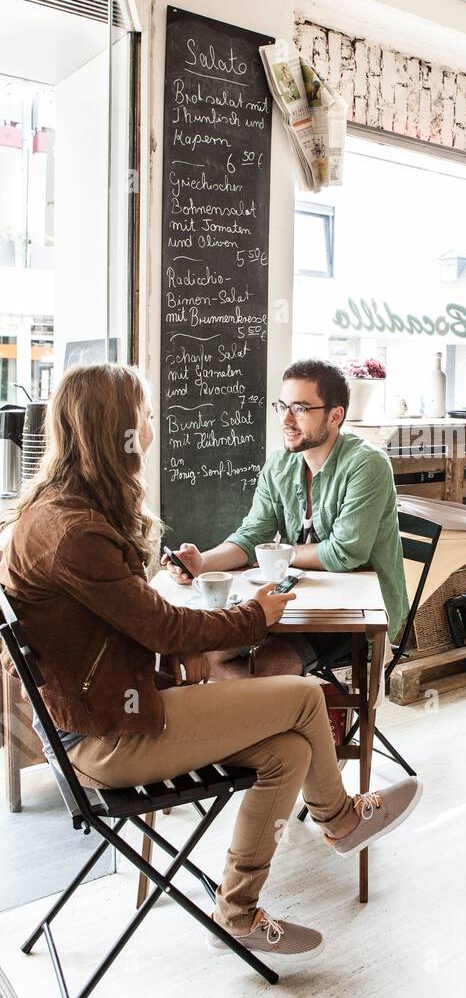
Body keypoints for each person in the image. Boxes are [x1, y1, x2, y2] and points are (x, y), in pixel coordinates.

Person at [0, 364, 421, 961]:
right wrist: (255, 617)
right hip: (105, 738)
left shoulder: (60, 513)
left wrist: (218, 625)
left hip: (107, 717)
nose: (151, 426)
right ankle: (341, 820)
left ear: (334, 415)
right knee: (300, 698)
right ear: (112, 428)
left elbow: (153, 623)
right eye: (144, 415)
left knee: (289, 749)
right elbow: (167, 628)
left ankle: (238, 912)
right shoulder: (76, 532)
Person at [161, 359, 409, 678]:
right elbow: (251, 537)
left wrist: (277, 555)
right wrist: (201, 564)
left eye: (301, 408)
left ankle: (283, 717)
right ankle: (278, 719)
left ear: (336, 415)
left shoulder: (367, 465)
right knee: (209, 651)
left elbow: (346, 553)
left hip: (355, 614)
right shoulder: (279, 465)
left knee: (266, 669)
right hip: (294, 603)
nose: (287, 420)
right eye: (282, 406)